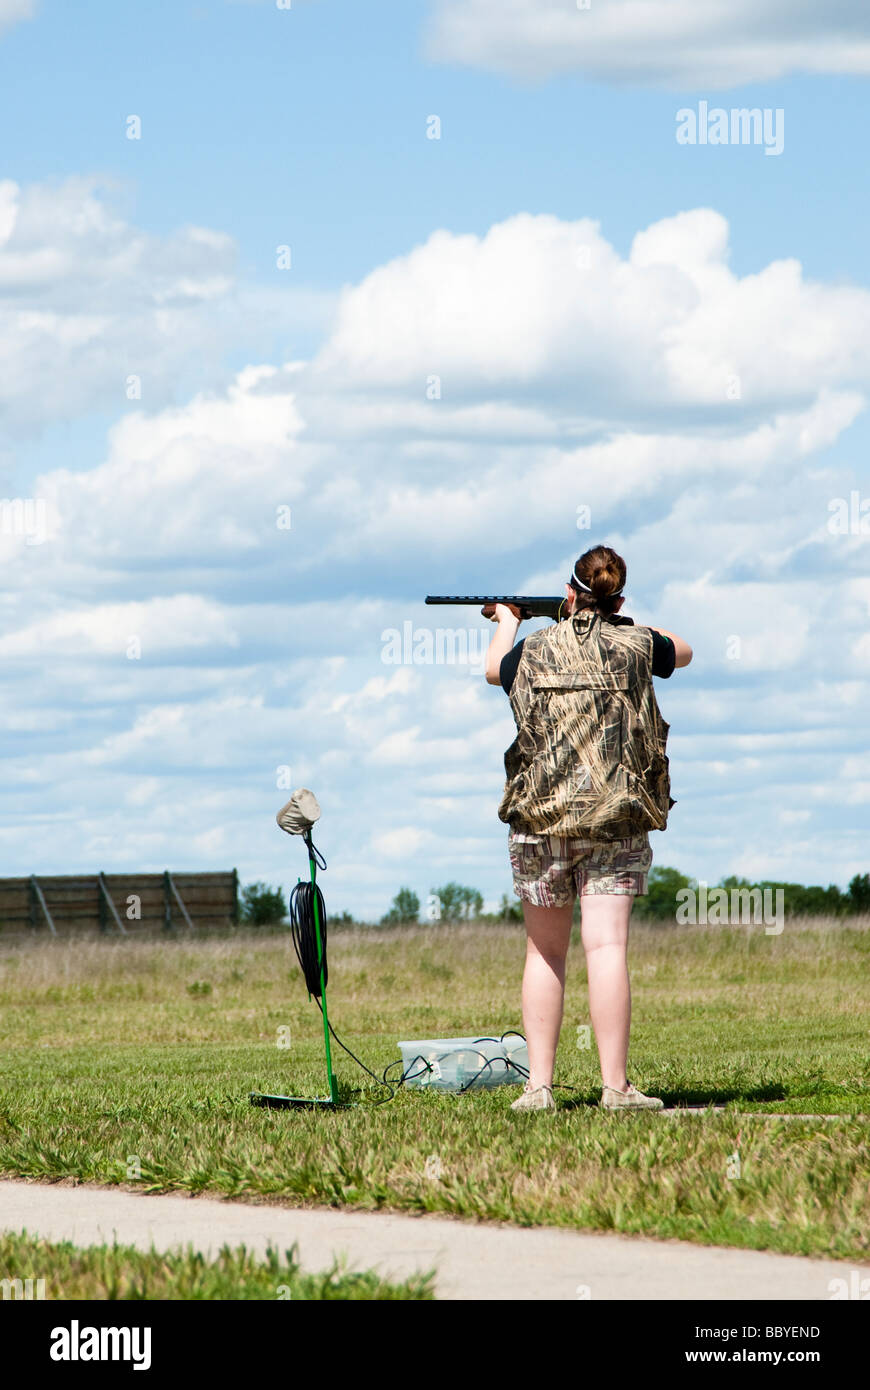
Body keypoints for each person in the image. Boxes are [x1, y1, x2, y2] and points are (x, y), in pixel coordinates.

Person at [483, 545, 692, 1112]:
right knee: (607, 948)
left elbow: (492, 669)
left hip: (540, 818)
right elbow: (686, 651)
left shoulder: (533, 647)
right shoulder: (634, 644)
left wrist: (508, 620)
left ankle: (538, 1088)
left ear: (569, 593)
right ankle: (615, 1087)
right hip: (615, 819)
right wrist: (616, 619)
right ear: (618, 598)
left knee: (543, 954)